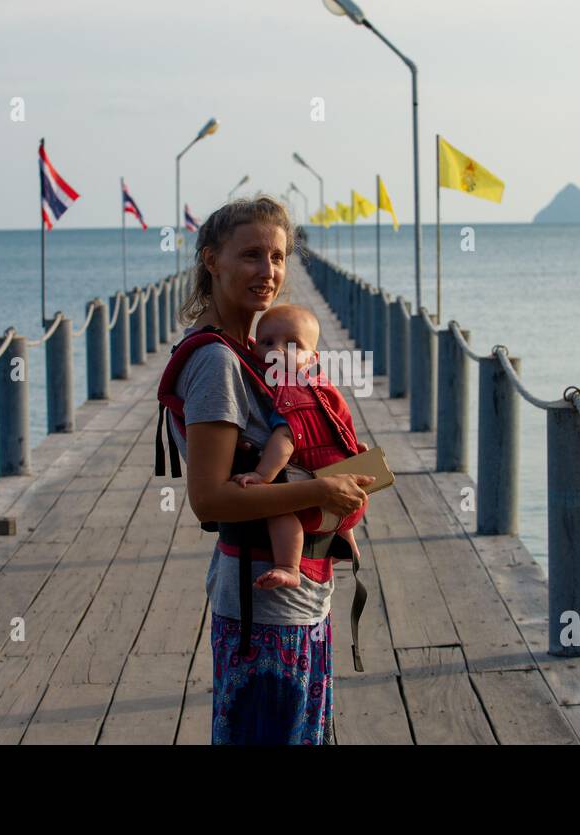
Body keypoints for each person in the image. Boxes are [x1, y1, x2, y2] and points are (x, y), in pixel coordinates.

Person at [166, 195, 374, 745]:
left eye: (278, 256)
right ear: (212, 260)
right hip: (265, 609)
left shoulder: (249, 353)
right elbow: (209, 500)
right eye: (252, 255)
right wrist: (324, 488)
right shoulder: (216, 362)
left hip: (297, 599)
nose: (269, 271)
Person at [229, 303, 362, 591]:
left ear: (311, 357)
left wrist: (262, 477)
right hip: (349, 492)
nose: (277, 351)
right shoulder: (322, 387)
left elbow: (285, 441)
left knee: (277, 508)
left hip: (318, 500)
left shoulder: (288, 391)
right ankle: (346, 538)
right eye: (267, 342)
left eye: (291, 345)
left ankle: (288, 567)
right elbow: (345, 429)